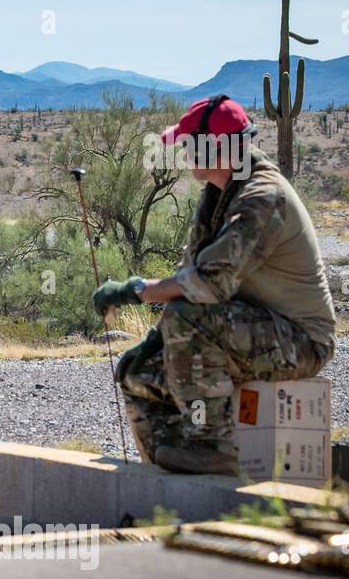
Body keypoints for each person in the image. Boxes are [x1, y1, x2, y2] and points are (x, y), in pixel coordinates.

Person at [94, 95, 335, 476]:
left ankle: (213, 445)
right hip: (248, 331)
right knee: (136, 373)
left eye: (189, 145)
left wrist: (136, 290)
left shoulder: (262, 198)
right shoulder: (220, 194)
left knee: (187, 318)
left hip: (301, 341)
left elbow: (209, 283)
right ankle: (166, 471)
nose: (184, 153)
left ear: (217, 148)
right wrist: (160, 338)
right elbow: (190, 268)